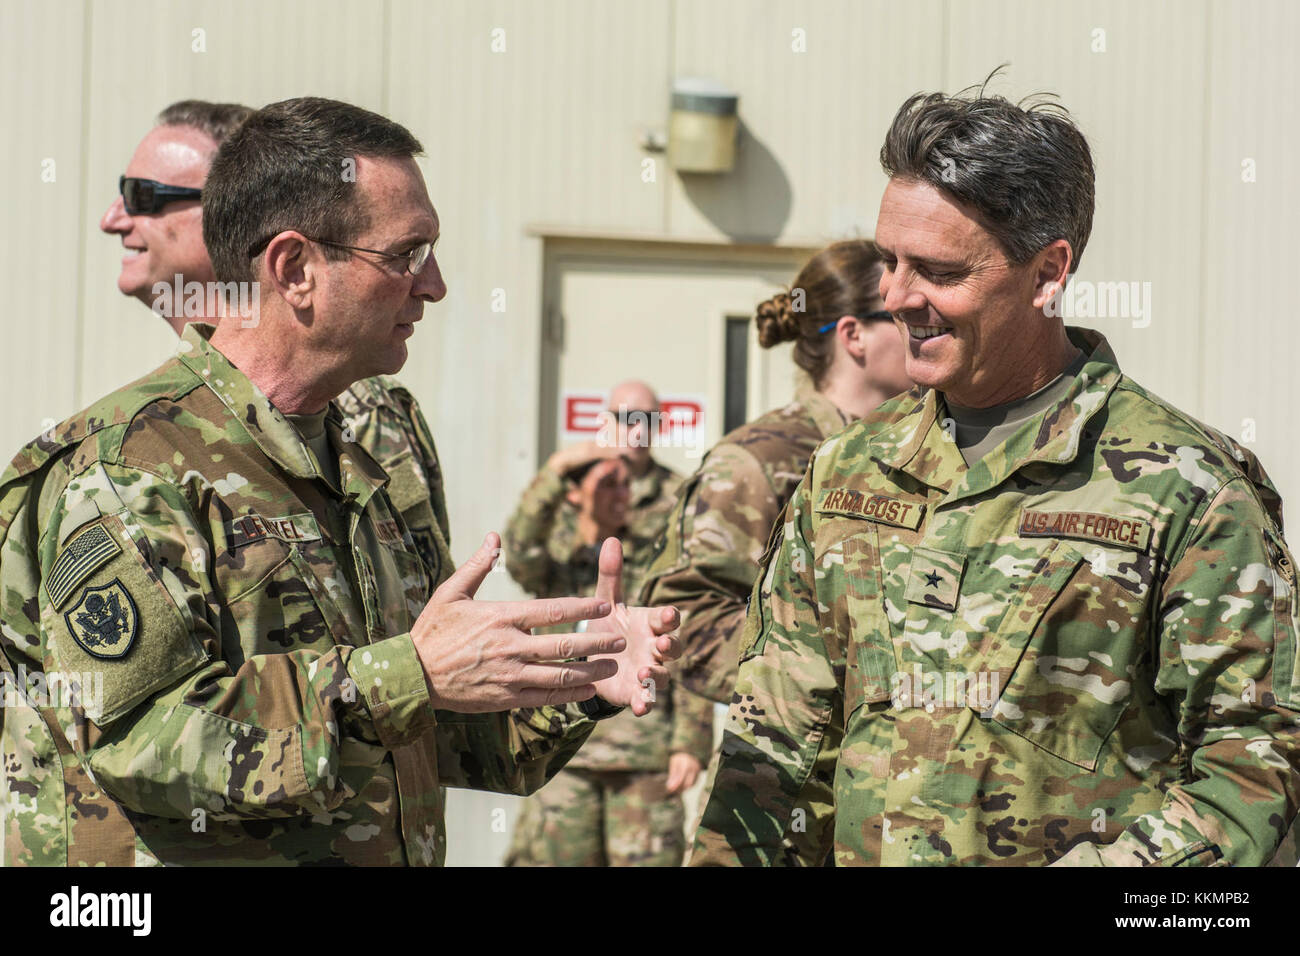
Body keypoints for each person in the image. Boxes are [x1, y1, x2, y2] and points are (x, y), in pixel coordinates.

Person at [0, 96, 679, 867]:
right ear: (295, 269)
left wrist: (580, 675)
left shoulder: (369, 457)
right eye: (406, 255)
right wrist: (405, 673)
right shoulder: (126, 467)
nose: (435, 287)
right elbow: (138, 741)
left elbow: (425, 728)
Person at [691, 81, 1300, 866]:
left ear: (1048, 273)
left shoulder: (1187, 489)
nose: (898, 297)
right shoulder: (847, 472)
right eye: (889, 261)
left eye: (939, 272)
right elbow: (775, 743)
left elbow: (1254, 766)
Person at [100, 99, 452, 583]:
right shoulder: (129, 454)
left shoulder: (353, 405)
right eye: (404, 254)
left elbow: (422, 604)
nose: (113, 219)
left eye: (144, 195)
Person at [641, 240, 910, 707]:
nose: (925, 328)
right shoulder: (762, 459)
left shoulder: (923, 446)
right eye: (900, 317)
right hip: (800, 768)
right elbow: (682, 619)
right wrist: (834, 679)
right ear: (854, 335)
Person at [502, 440, 713, 866]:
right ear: (575, 492)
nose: (621, 493)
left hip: (641, 748)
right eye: (607, 483)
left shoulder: (656, 552)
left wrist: (691, 742)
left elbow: (687, 642)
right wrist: (556, 468)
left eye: (626, 485)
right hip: (559, 746)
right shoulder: (555, 552)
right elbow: (519, 552)